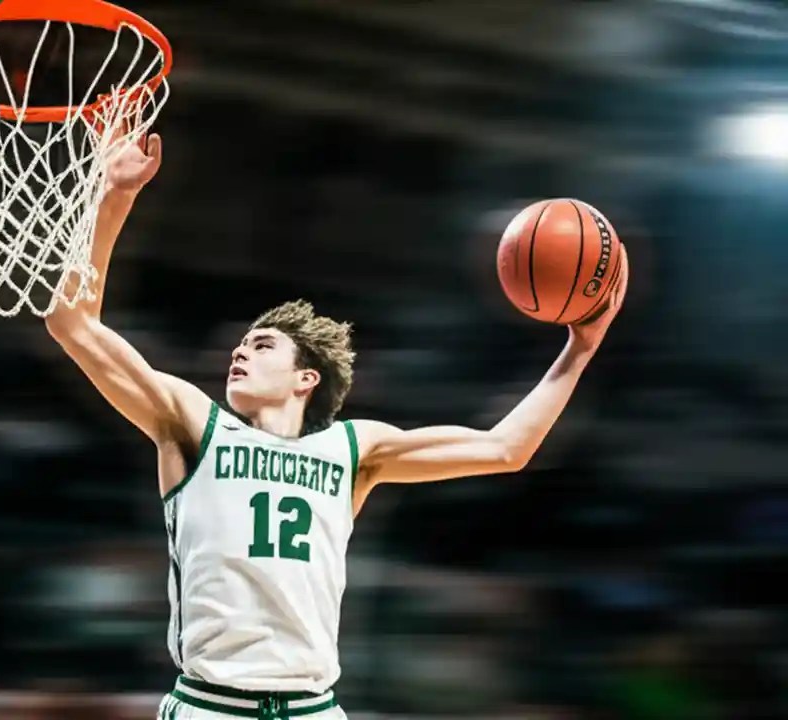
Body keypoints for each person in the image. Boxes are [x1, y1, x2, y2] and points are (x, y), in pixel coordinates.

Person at [43, 132, 629, 720]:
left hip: (313, 710)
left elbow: (506, 448)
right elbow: (72, 321)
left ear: (306, 379)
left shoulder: (353, 449)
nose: (238, 353)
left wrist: (580, 348)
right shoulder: (194, 424)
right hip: (210, 705)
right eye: (240, 346)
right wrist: (113, 195)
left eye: (262, 344)